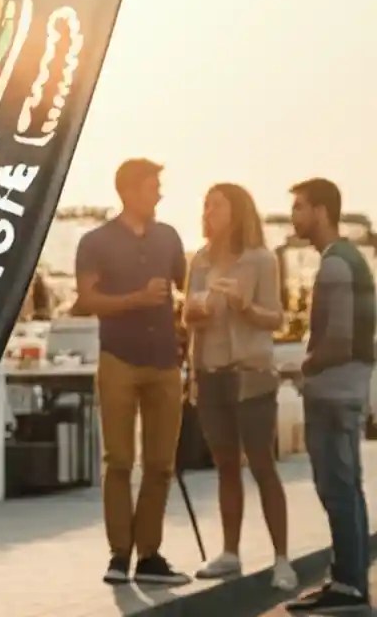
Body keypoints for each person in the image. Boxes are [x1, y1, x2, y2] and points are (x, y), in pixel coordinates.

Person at [75, 158, 192, 586]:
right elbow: (87, 300)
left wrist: (188, 325)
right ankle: (118, 555)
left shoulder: (169, 238)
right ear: (127, 191)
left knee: (161, 464)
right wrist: (137, 299)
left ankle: (150, 557)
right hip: (118, 359)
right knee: (119, 460)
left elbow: (188, 287)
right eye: (151, 187)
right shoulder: (96, 241)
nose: (159, 194)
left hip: (164, 361)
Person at [184, 184, 297, 590]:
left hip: (251, 374)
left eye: (216, 205)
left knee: (262, 464)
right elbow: (187, 318)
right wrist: (193, 314)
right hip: (211, 375)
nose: (208, 211)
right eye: (206, 204)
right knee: (225, 466)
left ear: (237, 212)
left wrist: (244, 308)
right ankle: (230, 553)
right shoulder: (198, 260)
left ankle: (282, 559)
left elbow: (277, 318)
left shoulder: (261, 260)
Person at [285, 178, 374, 613]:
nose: (294, 216)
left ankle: (350, 585)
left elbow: (338, 341)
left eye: (300, 207)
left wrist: (302, 366)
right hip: (347, 389)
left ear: (322, 211)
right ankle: (348, 579)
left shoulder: (336, 265)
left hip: (335, 393)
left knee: (338, 487)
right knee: (345, 487)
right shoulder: (348, 260)